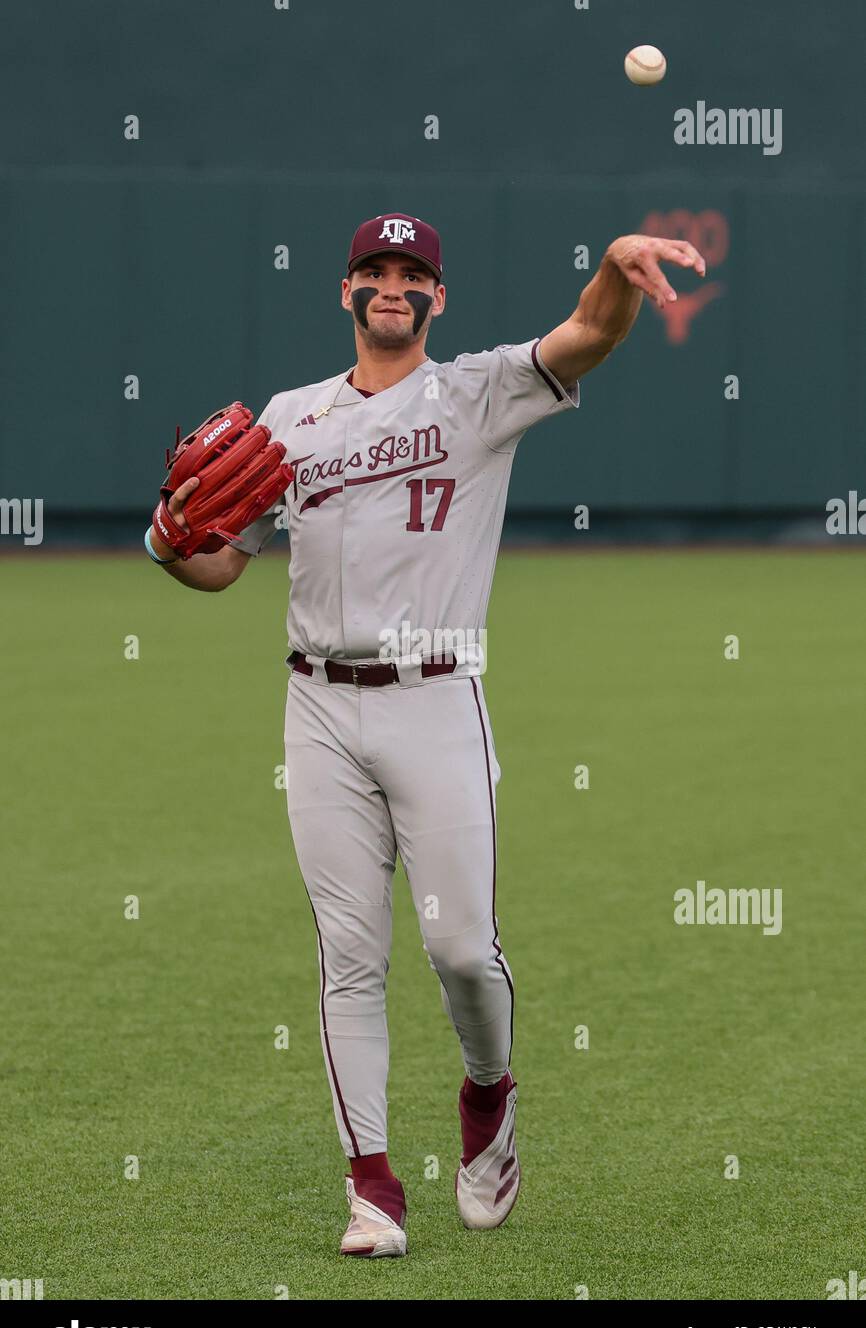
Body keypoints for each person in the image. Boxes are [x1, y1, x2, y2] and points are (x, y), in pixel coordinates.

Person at [145, 213, 705, 1257]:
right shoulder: (287, 420)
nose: (391, 284)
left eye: (411, 272)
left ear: (436, 298)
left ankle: (487, 1096)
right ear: (345, 291)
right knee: (348, 955)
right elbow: (224, 560)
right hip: (316, 703)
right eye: (374, 270)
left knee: (459, 952)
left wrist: (615, 269)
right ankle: (371, 1190)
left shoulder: (475, 392)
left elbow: (585, 334)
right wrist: (167, 541)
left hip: (437, 699)